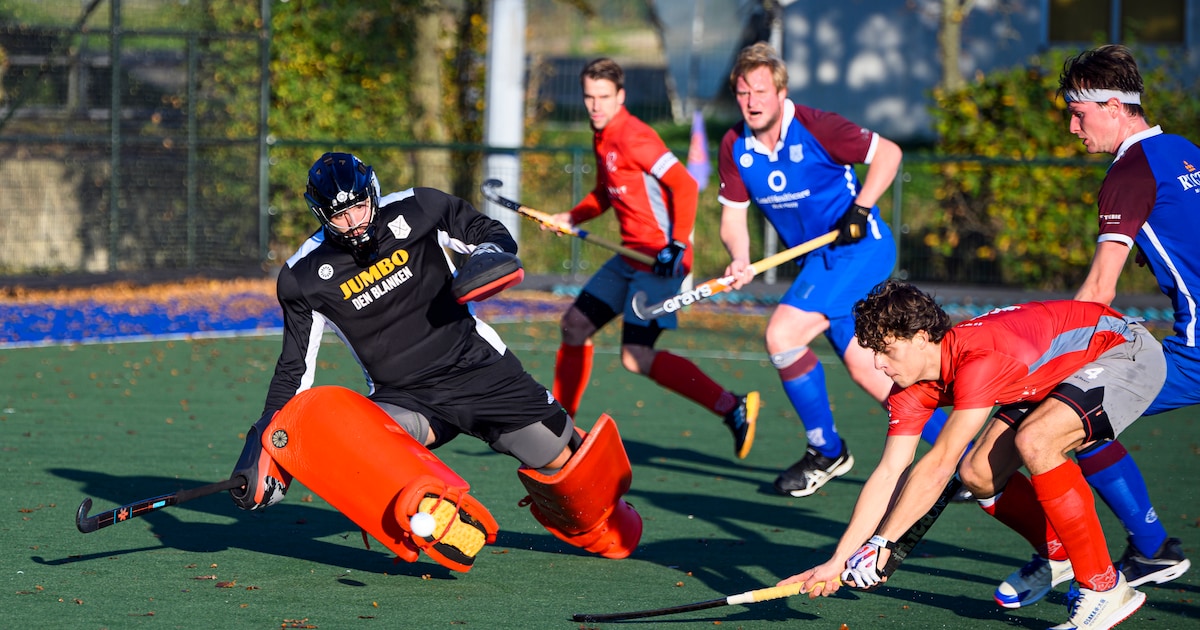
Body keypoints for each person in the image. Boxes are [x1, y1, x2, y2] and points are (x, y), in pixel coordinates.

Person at [226, 152, 642, 571]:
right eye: (339, 216)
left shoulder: (420, 207)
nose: (353, 223)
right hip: (405, 399)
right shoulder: (302, 276)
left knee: (567, 467)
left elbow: (490, 233)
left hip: (479, 370)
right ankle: (437, 519)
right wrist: (266, 439)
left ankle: (603, 527)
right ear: (321, 215)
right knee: (341, 437)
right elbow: (295, 369)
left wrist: (487, 255)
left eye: (359, 207)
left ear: (373, 193)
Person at [784, 280, 1163, 630]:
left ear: (920, 338)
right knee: (978, 472)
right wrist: (840, 559)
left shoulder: (979, 359)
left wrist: (883, 543)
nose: (878, 364)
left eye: (887, 351)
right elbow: (889, 472)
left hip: (1120, 350)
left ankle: (1104, 587)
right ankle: (1058, 554)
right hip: (1046, 377)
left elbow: (938, 464)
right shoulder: (910, 388)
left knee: (1037, 440)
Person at [987, 43, 1196, 607]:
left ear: (1114, 106)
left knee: (1062, 415)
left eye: (1079, 115)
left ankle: (1069, 554)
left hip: (1196, 349)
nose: (1073, 128)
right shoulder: (1183, 150)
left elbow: (1098, 292)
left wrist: (1042, 353)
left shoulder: (1128, 172)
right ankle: (1151, 548)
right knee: (1086, 414)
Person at [716, 41, 957, 497]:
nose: (752, 102)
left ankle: (825, 450)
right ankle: (963, 456)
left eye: (761, 91)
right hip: (817, 263)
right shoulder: (734, 145)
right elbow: (733, 217)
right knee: (871, 371)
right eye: (743, 93)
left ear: (781, 93)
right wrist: (740, 257)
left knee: (783, 334)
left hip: (860, 251)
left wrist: (860, 209)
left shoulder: (817, 126)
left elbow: (889, 153)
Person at [547, 57, 759, 460]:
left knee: (635, 356)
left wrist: (676, 244)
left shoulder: (635, 137)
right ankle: (559, 427)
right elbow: (605, 192)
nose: (595, 105)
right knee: (574, 326)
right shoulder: (601, 135)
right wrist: (571, 217)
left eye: (604, 97)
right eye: (589, 97)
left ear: (620, 96)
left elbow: (685, 184)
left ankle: (731, 405)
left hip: (661, 260)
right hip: (629, 257)